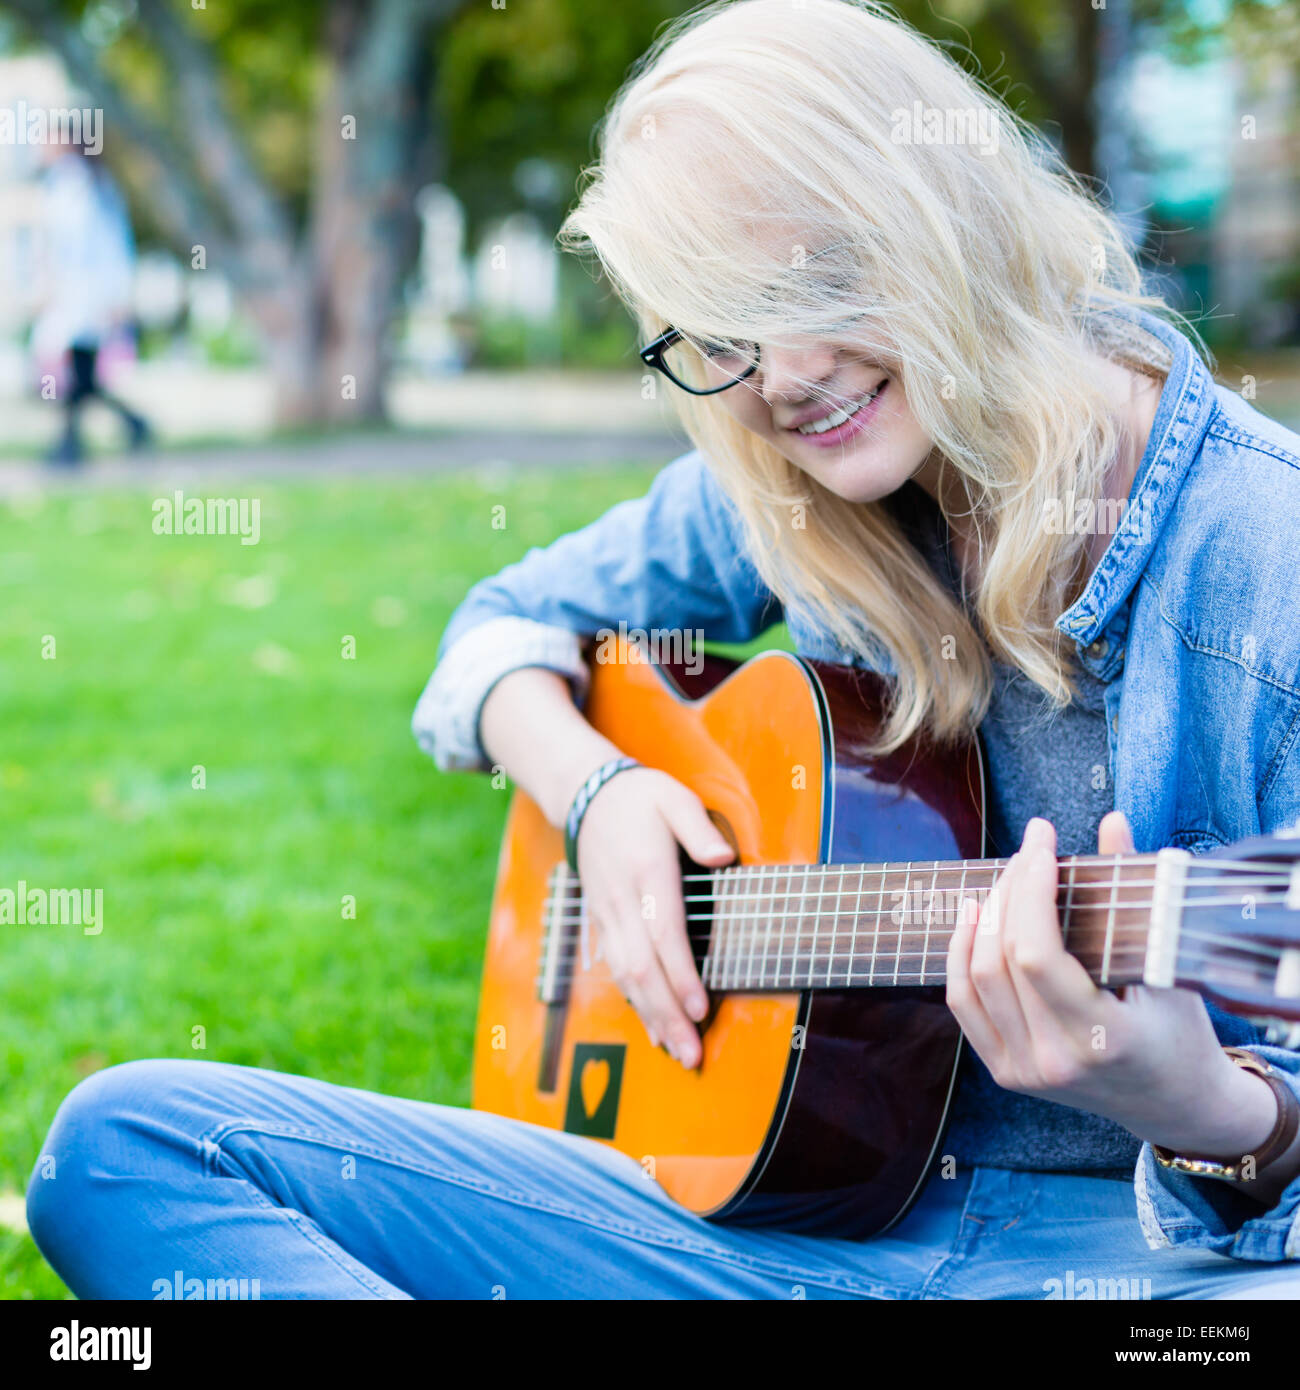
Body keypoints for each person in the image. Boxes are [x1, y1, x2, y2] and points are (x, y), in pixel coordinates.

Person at [26, 0, 1300, 1298]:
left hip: (1137, 1264)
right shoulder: (799, 488)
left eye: (806, 284)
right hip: (767, 1233)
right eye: (714, 332)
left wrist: (1206, 1106)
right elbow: (493, 638)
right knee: (130, 1149)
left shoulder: (1267, 548)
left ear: (939, 214)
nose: (779, 377)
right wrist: (604, 792)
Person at [32, 137, 150, 466]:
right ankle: (129, 425)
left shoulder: (85, 187)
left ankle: (71, 445)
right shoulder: (70, 184)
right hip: (77, 297)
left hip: (87, 297)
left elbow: (104, 246)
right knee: (81, 375)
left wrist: (117, 295)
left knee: (77, 371)